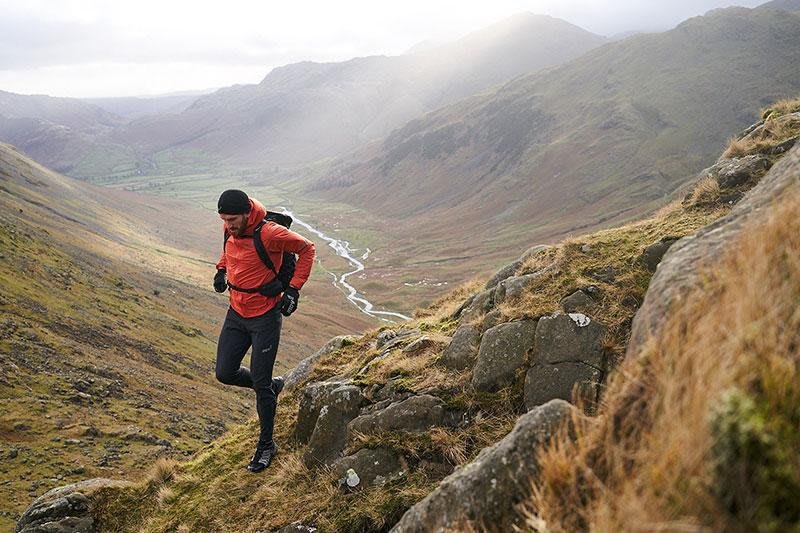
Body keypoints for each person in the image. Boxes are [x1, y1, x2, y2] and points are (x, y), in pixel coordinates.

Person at [212, 189, 316, 472]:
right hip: (236, 312)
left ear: (247, 212)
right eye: (224, 219)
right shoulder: (230, 228)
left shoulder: (269, 233)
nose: (229, 225)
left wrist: (293, 289)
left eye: (233, 219)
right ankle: (272, 386)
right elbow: (229, 252)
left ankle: (267, 444)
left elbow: (307, 249)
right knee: (224, 372)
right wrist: (221, 271)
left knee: (260, 382)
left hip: (265, 318)